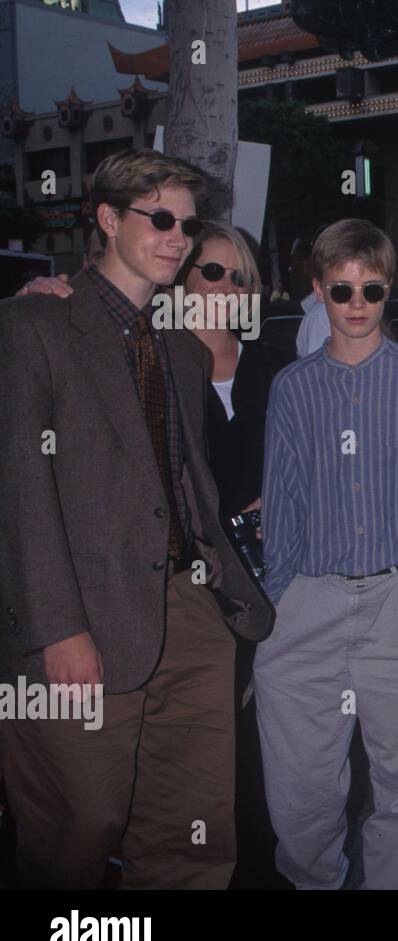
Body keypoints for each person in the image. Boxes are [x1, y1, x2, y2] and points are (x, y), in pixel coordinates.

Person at [0, 147, 274, 888]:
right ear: (109, 219)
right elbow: (21, 489)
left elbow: (187, 480)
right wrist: (59, 628)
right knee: (78, 827)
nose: (177, 238)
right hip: (85, 617)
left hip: (189, 612)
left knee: (192, 827)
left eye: (185, 224)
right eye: (159, 219)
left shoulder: (180, 351)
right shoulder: (35, 326)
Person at [254, 219, 398, 890]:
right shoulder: (294, 389)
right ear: (319, 291)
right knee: (301, 795)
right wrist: (281, 608)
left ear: (389, 289)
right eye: (341, 290)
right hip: (310, 599)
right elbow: (282, 506)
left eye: (371, 289)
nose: (357, 303)